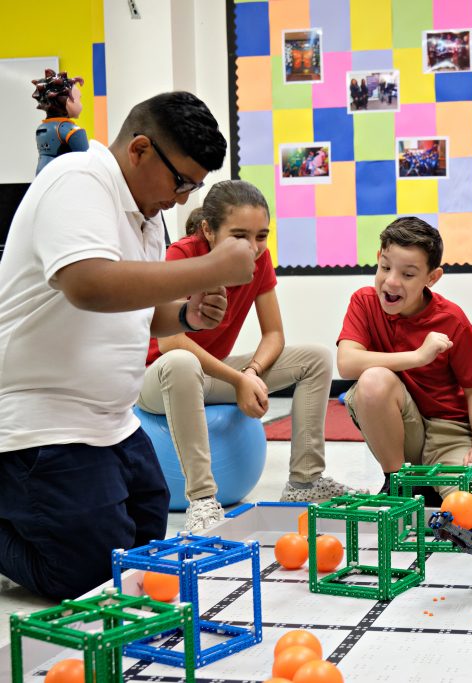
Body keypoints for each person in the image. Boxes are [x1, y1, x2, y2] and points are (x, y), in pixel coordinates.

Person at [0, 92, 256, 600]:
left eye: (195, 187)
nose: (182, 199)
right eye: (181, 181)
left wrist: (184, 313)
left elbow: (137, 306)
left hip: (112, 422)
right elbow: (88, 284)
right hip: (42, 420)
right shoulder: (78, 180)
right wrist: (211, 267)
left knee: (140, 547)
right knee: (90, 577)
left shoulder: (144, 211)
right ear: (139, 150)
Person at [138, 180, 358, 532]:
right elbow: (171, 343)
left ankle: (305, 482)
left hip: (211, 374)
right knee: (182, 363)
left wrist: (252, 372)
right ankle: (202, 499)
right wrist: (239, 379)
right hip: (159, 377)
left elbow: (274, 334)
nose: (254, 247)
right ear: (208, 230)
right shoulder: (181, 255)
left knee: (315, 358)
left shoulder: (260, 260)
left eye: (262, 236)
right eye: (240, 235)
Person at [336, 217, 472, 505]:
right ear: (378, 259)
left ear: (432, 278)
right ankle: (398, 482)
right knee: (373, 379)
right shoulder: (363, 302)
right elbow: (346, 363)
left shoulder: (452, 320)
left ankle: (431, 487)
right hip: (404, 427)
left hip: (449, 432)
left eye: (408, 274)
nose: (391, 281)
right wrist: (417, 357)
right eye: (385, 267)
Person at [31, 69, 89, 175]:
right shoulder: (73, 131)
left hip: (42, 178)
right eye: (79, 99)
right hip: (64, 180)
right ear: (68, 101)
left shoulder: (41, 128)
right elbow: (87, 163)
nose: (81, 104)